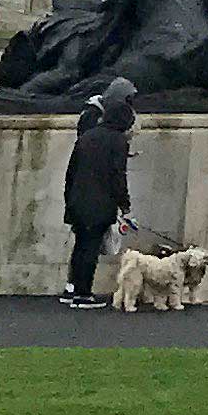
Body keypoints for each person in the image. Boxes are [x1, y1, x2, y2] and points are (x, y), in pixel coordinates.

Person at [59, 80, 139, 310]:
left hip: (77, 199)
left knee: (80, 246)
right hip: (100, 203)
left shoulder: (88, 137)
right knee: (91, 249)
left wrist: (69, 199)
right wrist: (125, 207)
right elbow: (117, 176)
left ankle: (72, 289)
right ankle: (83, 294)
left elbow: (71, 171)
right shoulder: (118, 141)